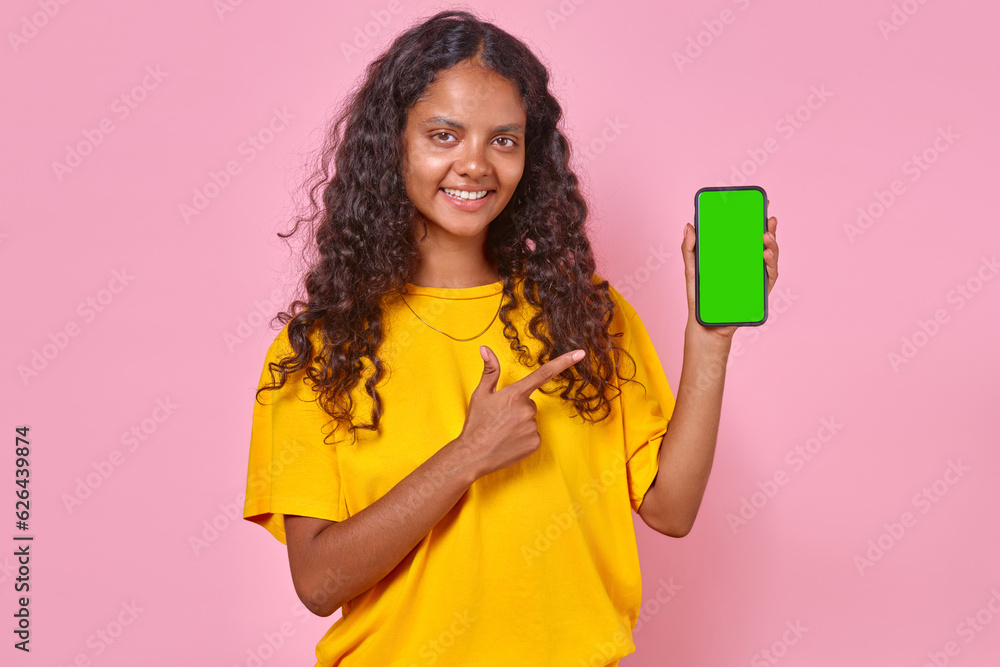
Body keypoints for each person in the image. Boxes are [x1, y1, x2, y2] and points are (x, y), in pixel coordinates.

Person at [242, 9, 779, 667]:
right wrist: (466, 455)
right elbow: (318, 581)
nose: (475, 164)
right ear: (394, 145)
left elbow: (672, 509)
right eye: (444, 134)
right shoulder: (324, 348)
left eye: (504, 140)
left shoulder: (587, 316)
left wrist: (710, 337)